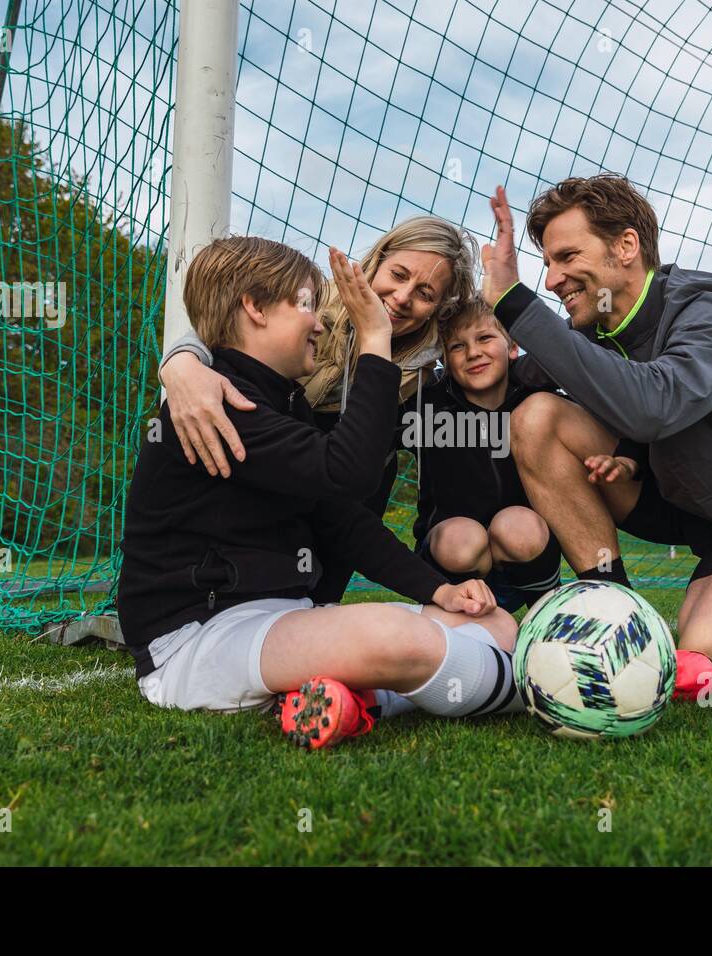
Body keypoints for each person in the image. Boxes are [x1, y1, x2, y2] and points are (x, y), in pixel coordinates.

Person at [117, 236, 522, 751]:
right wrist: (376, 336)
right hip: (199, 639)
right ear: (254, 308)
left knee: (494, 622)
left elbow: (343, 521)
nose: (320, 320)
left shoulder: (282, 401)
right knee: (395, 638)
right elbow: (347, 474)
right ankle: (550, 685)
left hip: (284, 615)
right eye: (306, 305)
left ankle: (358, 700)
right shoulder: (220, 401)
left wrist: (439, 590)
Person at [479, 173, 712, 685]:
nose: (553, 280)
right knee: (535, 416)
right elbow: (505, 382)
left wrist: (515, 303)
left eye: (567, 257)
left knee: (698, 665)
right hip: (675, 500)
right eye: (547, 264)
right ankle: (614, 610)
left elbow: (654, 406)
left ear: (626, 245)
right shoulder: (593, 331)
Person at [157, 216, 480, 602]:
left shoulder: (426, 371)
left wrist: (440, 587)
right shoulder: (310, 302)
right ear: (378, 260)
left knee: (373, 467)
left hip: (340, 475)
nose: (402, 296)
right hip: (274, 448)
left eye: (426, 293)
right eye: (398, 274)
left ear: (439, 309)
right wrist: (181, 363)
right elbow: (227, 318)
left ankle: (322, 596)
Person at [407, 300, 563, 611]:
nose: (473, 352)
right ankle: (461, 612)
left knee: (517, 525)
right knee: (461, 539)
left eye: (485, 338)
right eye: (456, 346)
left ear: (514, 347)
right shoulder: (427, 406)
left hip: (525, 550)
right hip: (453, 557)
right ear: (445, 361)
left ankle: (546, 611)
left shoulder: (537, 400)